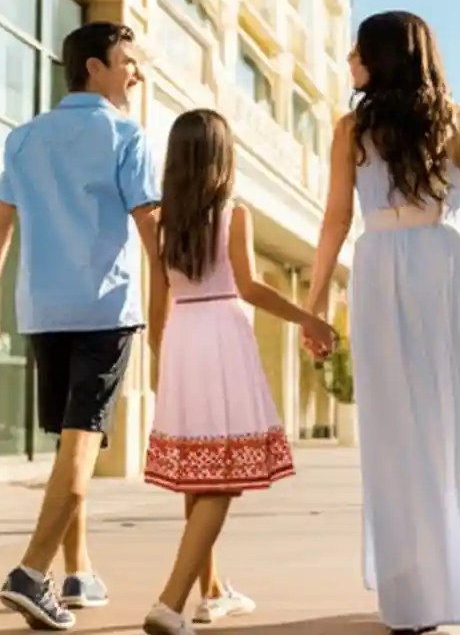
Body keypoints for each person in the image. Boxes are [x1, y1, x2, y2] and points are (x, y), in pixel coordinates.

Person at [0, 23, 238, 631]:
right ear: (95, 67)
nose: (135, 73)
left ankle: (78, 570)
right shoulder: (125, 135)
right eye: (128, 62)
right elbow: (152, 232)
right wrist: (171, 319)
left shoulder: (24, 137)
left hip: (41, 310)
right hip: (102, 313)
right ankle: (31, 572)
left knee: (73, 444)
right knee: (80, 447)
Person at [303, 11, 460, 634]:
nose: (350, 56)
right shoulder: (458, 121)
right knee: (454, 421)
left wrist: (318, 298)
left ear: (382, 57)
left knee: (393, 429)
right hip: (445, 263)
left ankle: (411, 595)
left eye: (359, 48)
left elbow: (333, 219)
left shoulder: (353, 128)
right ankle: (458, 580)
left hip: (377, 265)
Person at [140, 109, 337, 635]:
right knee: (222, 480)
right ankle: (169, 602)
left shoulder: (161, 224)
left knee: (196, 477)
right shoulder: (233, 213)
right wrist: (309, 318)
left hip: (182, 337)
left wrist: (163, 362)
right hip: (222, 334)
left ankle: (212, 591)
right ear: (221, 158)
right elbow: (249, 287)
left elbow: (157, 303)